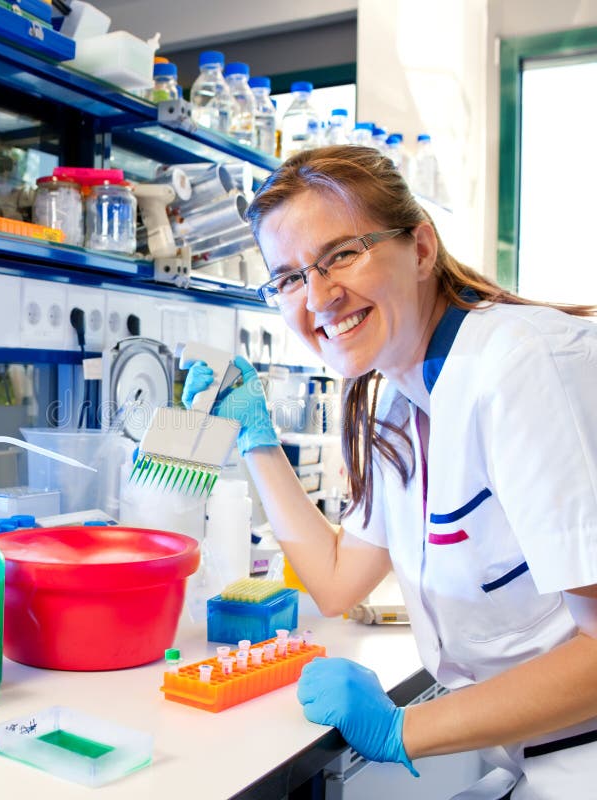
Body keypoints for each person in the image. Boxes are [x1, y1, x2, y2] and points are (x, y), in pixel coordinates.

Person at [182, 145, 597, 799]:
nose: (318, 296)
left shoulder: (520, 368)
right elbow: (338, 582)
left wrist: (403, 730)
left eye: (341, 255)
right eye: (289, 278)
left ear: (422, 248)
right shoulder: (402, 406)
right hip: (539, 766)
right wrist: (255, 439)